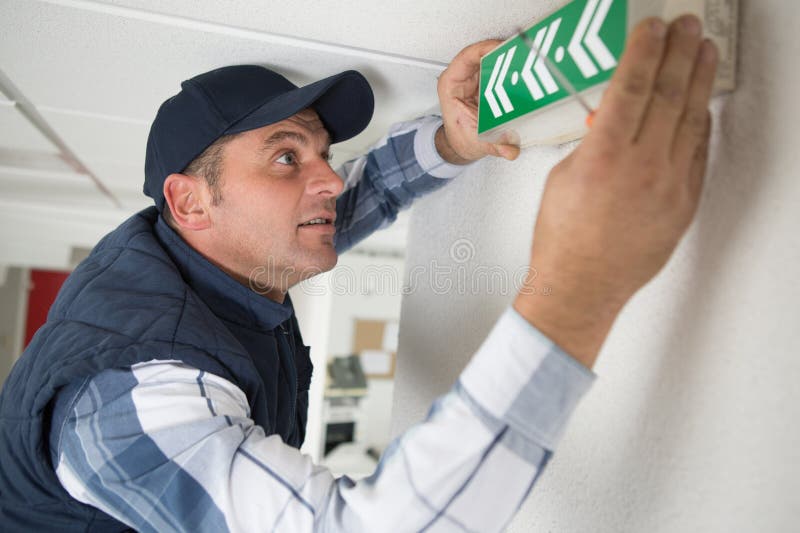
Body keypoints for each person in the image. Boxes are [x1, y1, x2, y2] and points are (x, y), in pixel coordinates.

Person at [0, 13, 717, 532]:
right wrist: (581, 289)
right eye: (287, 156)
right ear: (191, 201)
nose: (330, 181)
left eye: (324, 154)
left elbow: (350, 202)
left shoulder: (204, 249)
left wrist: (451, 139)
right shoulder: (123, 404)